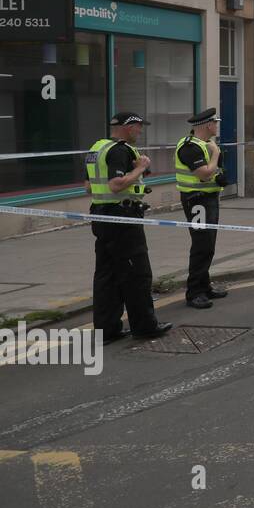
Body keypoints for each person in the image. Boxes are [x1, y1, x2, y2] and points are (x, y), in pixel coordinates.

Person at [85, 112, 172, 341]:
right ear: (128, 126)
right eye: (138, 127)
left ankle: (107, 330)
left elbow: (88, 187)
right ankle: (144, 327)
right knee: (137, 273)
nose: (140, 131)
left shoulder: (97, 149)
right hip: (122, 217)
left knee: (107, 275)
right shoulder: (119, 150)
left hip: (102, 216)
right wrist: (140, 167)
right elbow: (116, 184)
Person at [175, 107, 229, 309]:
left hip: (208, 199)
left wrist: (220, 176)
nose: (217, 125)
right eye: (215, 122)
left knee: (208, 244)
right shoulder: (190, 147)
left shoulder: (205, 144)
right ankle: (194, 292)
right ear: (207, 125)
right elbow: (204, 174)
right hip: (197, 201)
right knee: (201, 245)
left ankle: (205, 287)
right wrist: (215, 154)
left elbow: (213, 173)